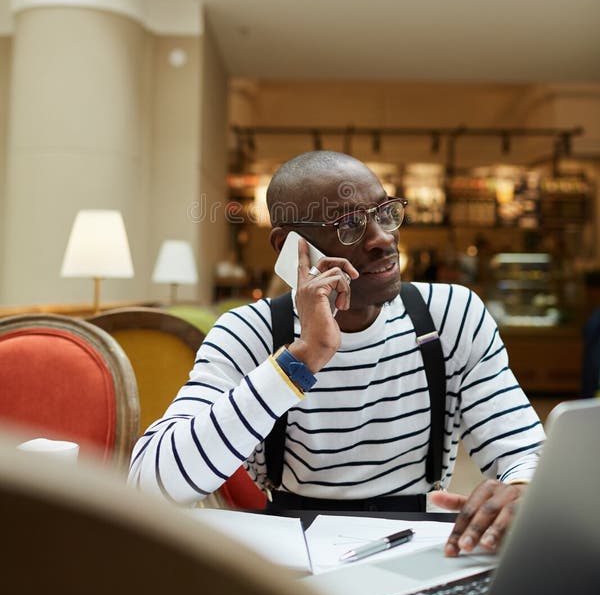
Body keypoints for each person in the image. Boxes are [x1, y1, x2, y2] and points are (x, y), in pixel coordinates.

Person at [129, 151, 545, 557]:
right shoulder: (249, 332)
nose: (383, 239)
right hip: (293, 554)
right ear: (290, 247)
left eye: (385, 213)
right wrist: (301, 358)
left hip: (417, 545)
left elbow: (524, 450)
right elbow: (151, 485)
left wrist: (522, 490)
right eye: (348, 225)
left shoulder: (449, 316)